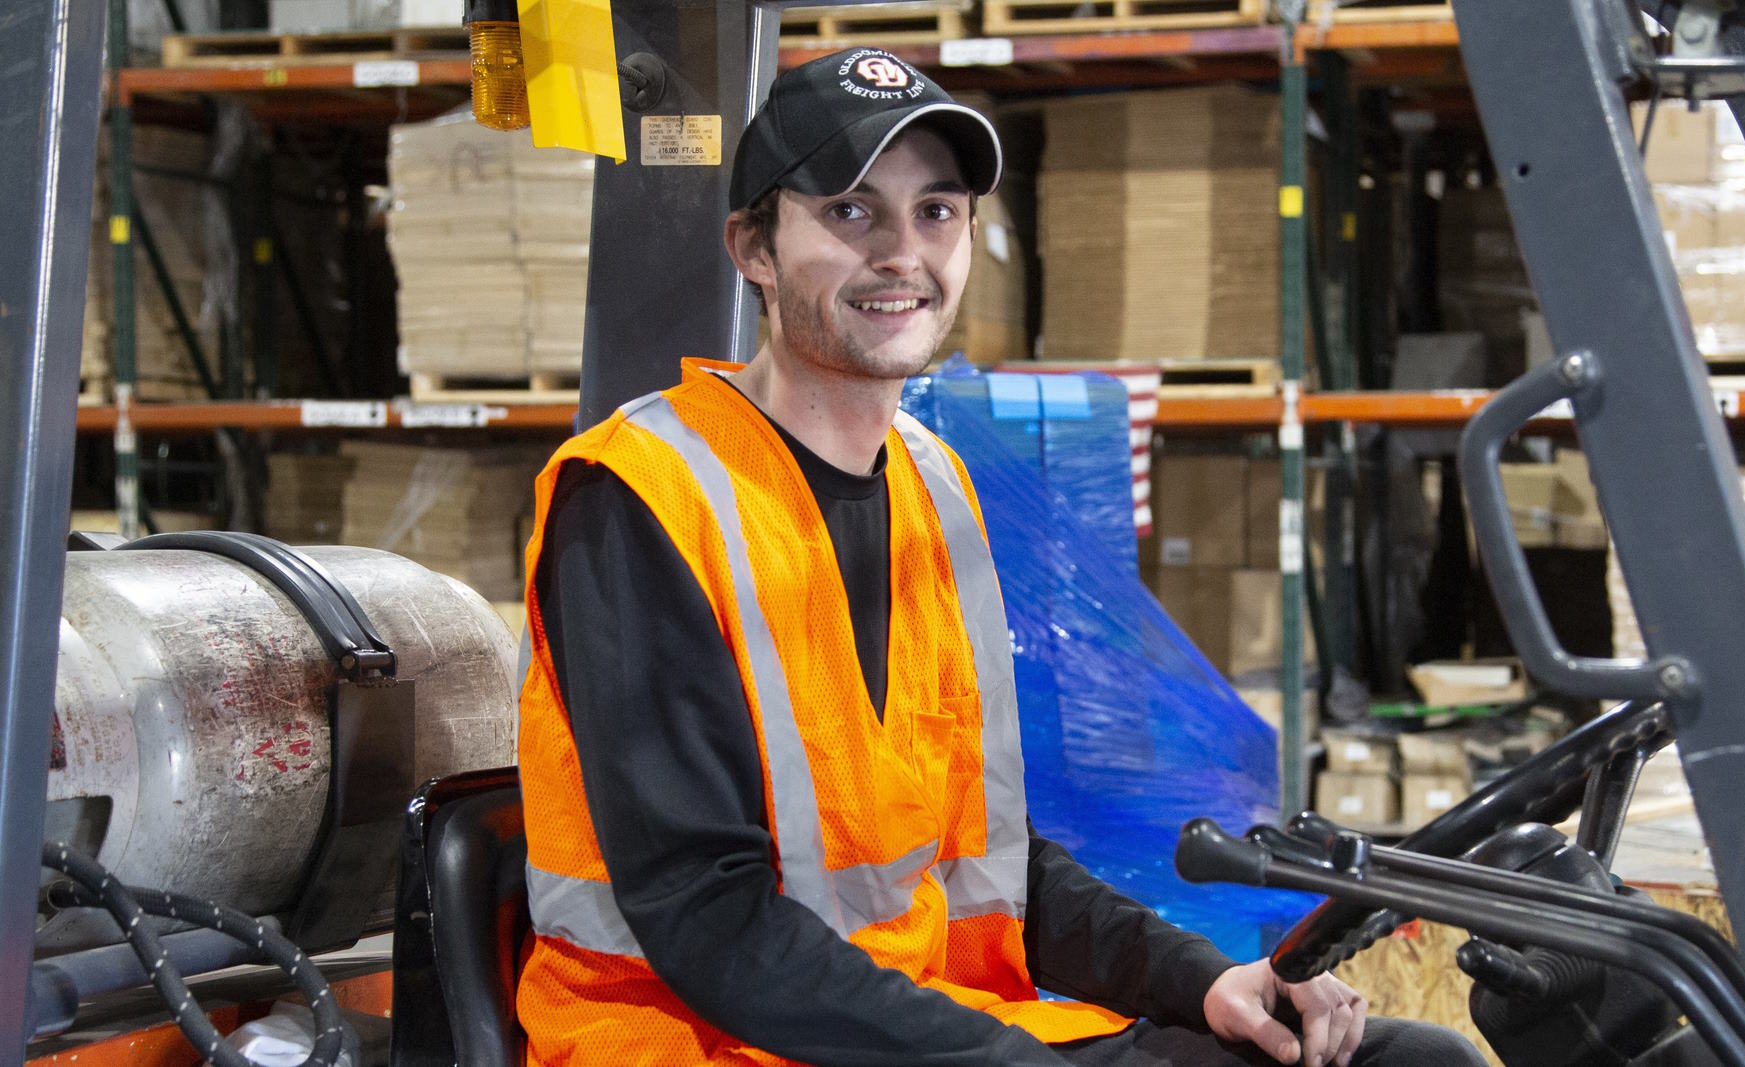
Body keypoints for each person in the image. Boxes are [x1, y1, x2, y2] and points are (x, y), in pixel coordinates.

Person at [515, 46, 1488, 1067]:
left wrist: (1200, 976)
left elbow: (997, 862)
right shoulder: (640, 496)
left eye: (935, 212)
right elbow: (707, 918)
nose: (902, 253)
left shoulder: (932, 485)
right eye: (850, 212)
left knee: (1415, 1061)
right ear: (751, 247)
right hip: (697, 1042)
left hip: (920, 1021)